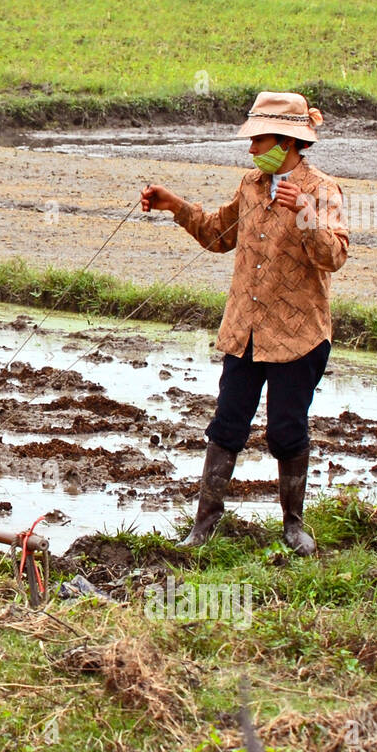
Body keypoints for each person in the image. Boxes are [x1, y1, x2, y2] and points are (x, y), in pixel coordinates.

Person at [140, 91, 348, 555]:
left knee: (286, 430)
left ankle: (293, 526)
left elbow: (333, 257)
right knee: (226, 425)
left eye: (260, 140)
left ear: (289, 142)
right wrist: (175, 205)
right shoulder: (251, 186)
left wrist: (306, 216)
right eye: (252, 141)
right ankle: (204, 526)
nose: (253, 149)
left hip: (298, 336)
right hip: (246, 331)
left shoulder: (322, 191)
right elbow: (219, 235)